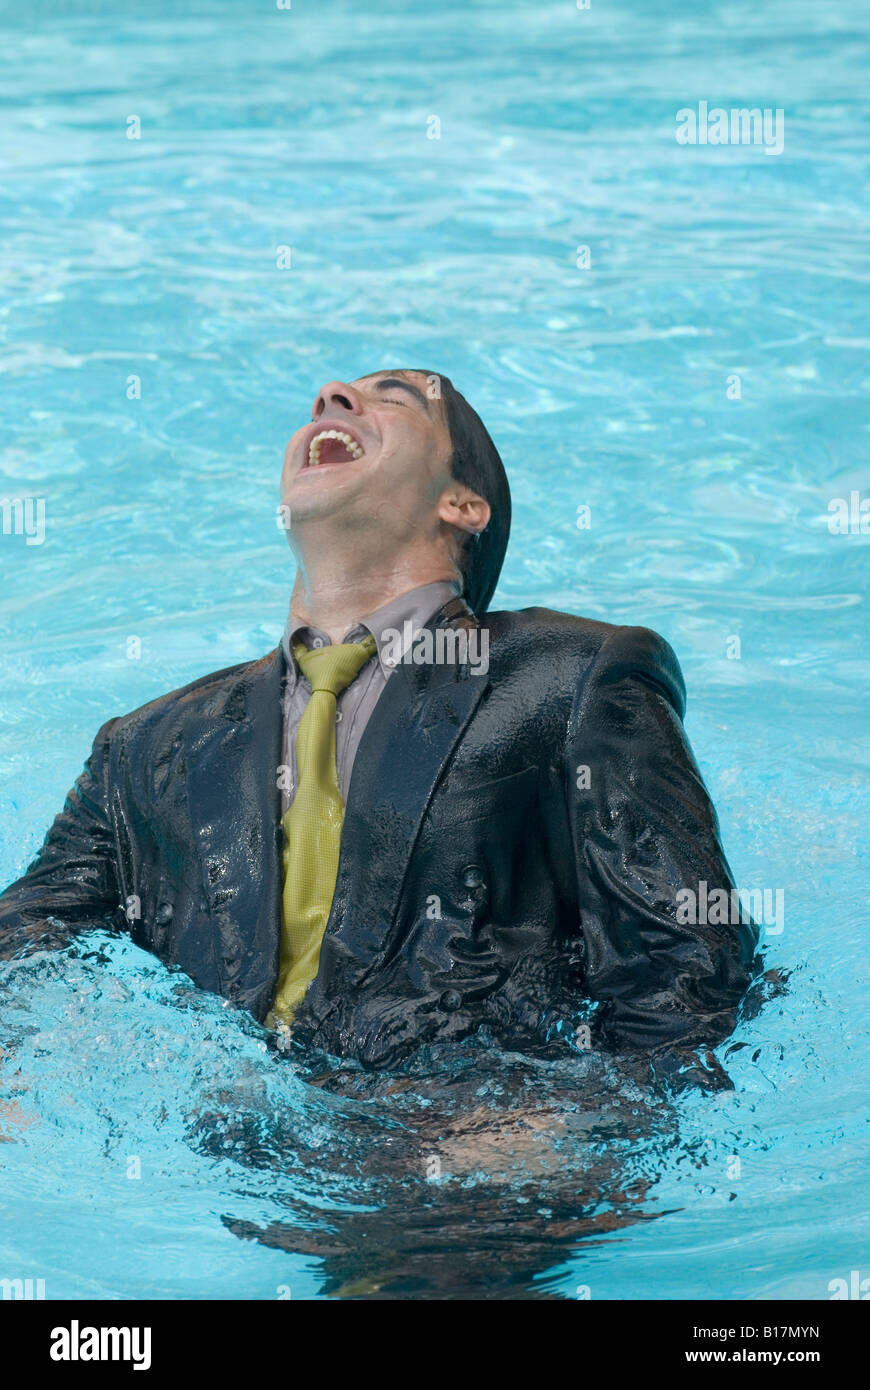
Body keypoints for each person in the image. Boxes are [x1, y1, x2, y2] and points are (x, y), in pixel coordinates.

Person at [0, 370, 758, 1071]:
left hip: (480, 1163)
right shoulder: (146, 746)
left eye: (393, 395)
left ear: (461, 505)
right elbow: (22, 946)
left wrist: (582, 1135)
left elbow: (691, 964)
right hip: (233, 1174)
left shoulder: (576, 675)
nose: (330, 395)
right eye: (327, 398)